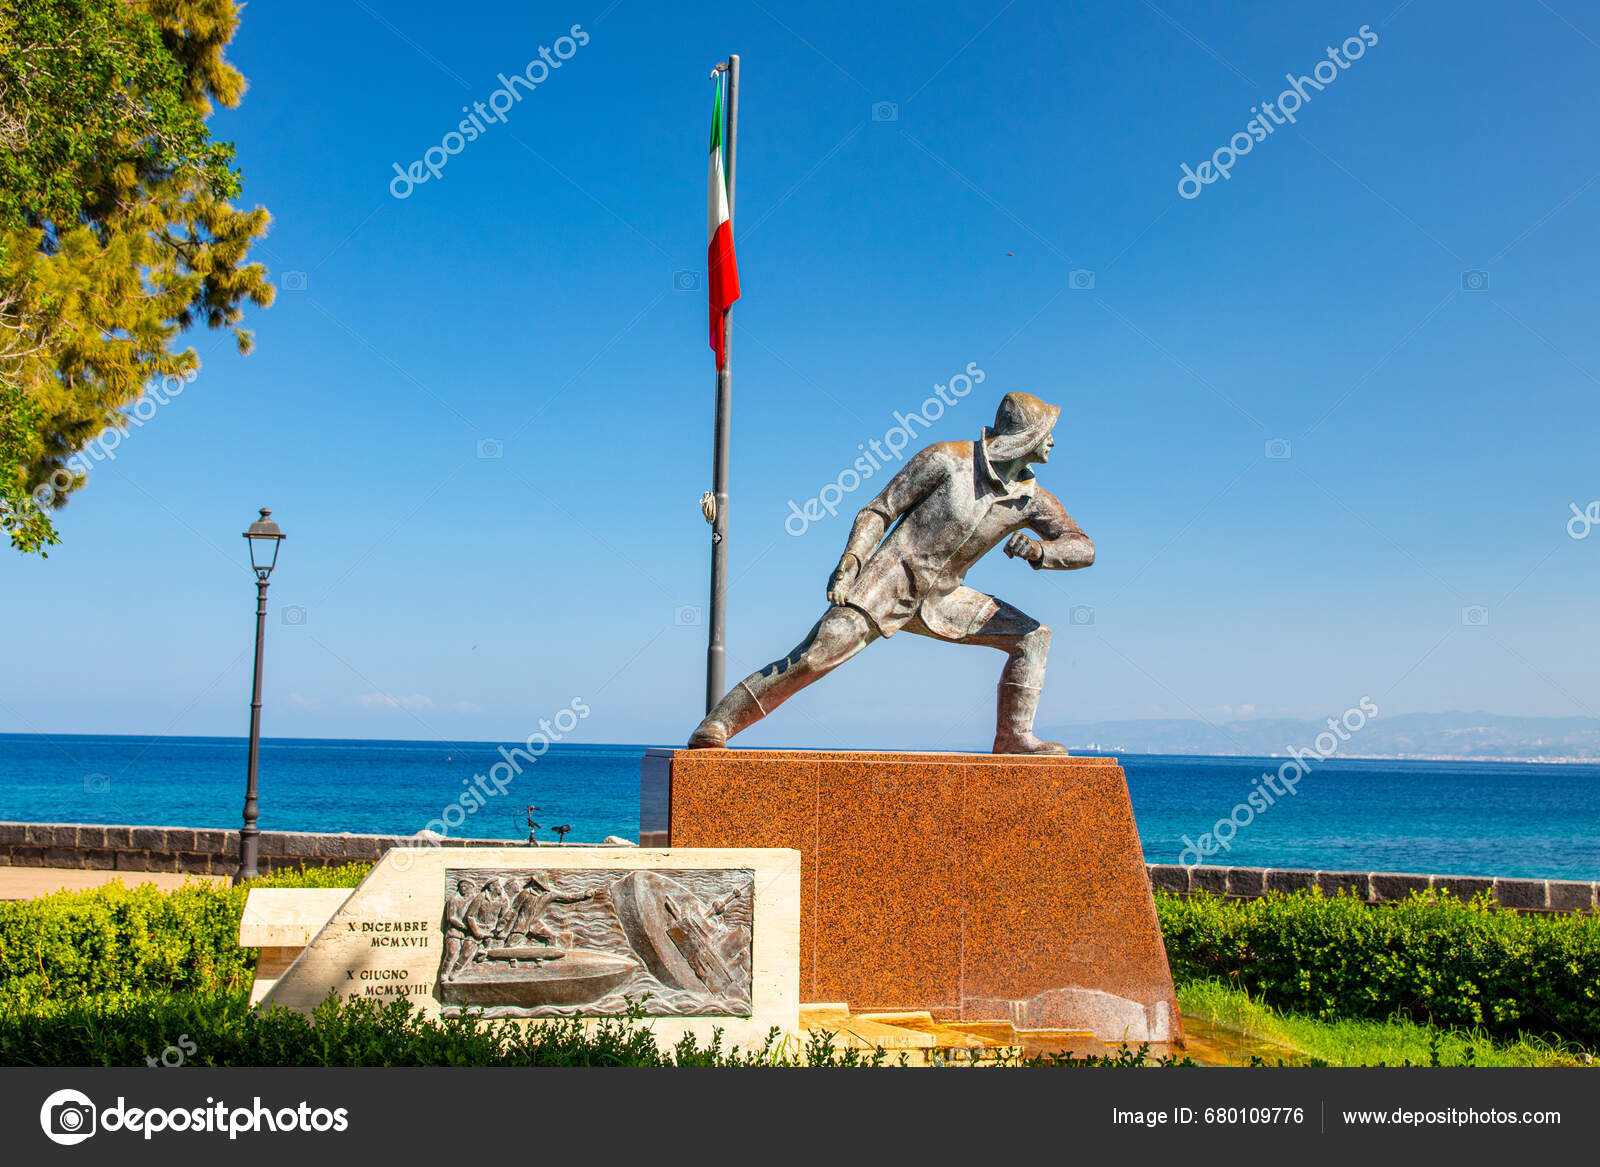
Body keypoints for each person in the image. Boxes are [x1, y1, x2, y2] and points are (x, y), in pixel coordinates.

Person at [689, 392, 1094, 754]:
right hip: (888, 580)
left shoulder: (1030, 499)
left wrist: (1043, 551)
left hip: (945, 598)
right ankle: (717, 724)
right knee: (813, 657)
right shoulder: (946, 459)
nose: (1053, 442)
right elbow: (880, 509)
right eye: (1047, 432)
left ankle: (1012, 737)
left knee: (1032, 637)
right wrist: (851, 562)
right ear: (1025, 435)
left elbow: (1082, 545)